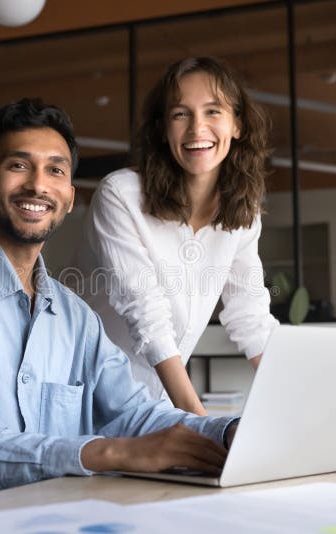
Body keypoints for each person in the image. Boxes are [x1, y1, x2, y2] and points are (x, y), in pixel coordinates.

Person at [0, 98, 237, 516]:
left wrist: (229, 433)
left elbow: (135, 415)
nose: (38, 185)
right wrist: (115, 454)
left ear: (68, 197)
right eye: (18, 166)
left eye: (56, 171)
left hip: (48, 521)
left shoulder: (77, 318)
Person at [73, 57, 279, 415]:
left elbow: (251, 316)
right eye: (181, 114)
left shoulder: (242, 215)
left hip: (158, 403)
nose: (197, 129)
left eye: (213, 111)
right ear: (162, 128)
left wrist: (300, 404)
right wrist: (198, 422)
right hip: (86, 396)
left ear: (238, 124)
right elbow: (147, 316)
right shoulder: (120, 195)